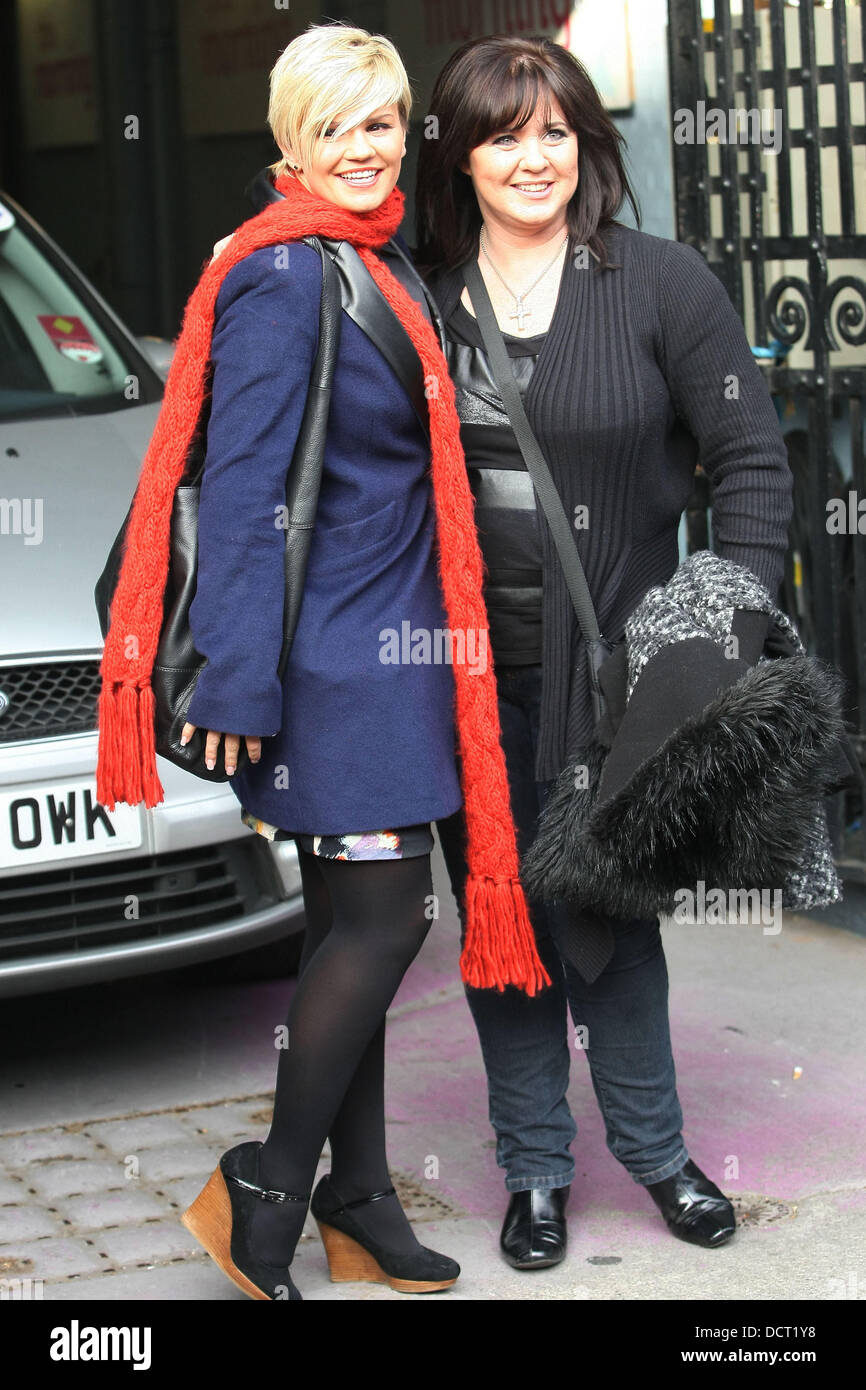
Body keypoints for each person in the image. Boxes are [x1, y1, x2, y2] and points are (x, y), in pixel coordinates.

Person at [96, 22, 549, 1302]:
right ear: (290, 138)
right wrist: (237, 676)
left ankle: (355, 1197)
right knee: (386, 917)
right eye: (334, 125)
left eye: (380, 120)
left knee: (347, 928)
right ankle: (274, 1182)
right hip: (333, 670)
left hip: (396, 649)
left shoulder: (379, 256)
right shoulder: (288, 276)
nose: (362, 147)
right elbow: (239, 492)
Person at [412, 34, 794, 1268]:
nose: (534, 157)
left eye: (555, 132)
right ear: (460, 155)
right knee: (500, 923)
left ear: (586, 144)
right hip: (464, 680)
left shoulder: (656, 282)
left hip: (617, 676)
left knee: (609, 920)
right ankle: (532, 1169)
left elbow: (748, 461)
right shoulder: (419, 292)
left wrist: (718, 626)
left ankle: (656, 1153)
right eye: (503, 134)